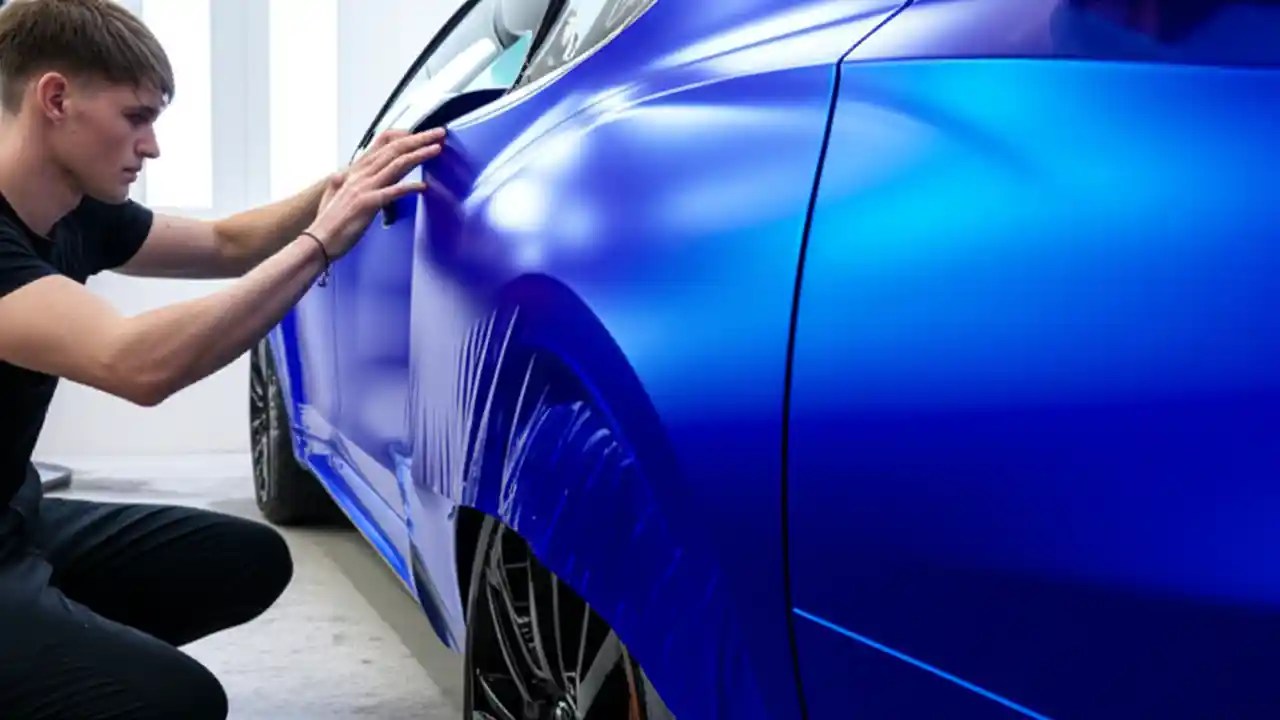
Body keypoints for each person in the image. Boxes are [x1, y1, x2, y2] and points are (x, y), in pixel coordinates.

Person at [0, 0, 446, 717]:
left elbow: (228, 245)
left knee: (245, 560)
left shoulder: (73, 208)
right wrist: (322, 243)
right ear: (56, 99)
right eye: (136, 118)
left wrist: (349, 183)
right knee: (178, 702)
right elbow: (135, 363)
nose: (151, 147)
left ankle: (48, 659)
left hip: (15, 520)